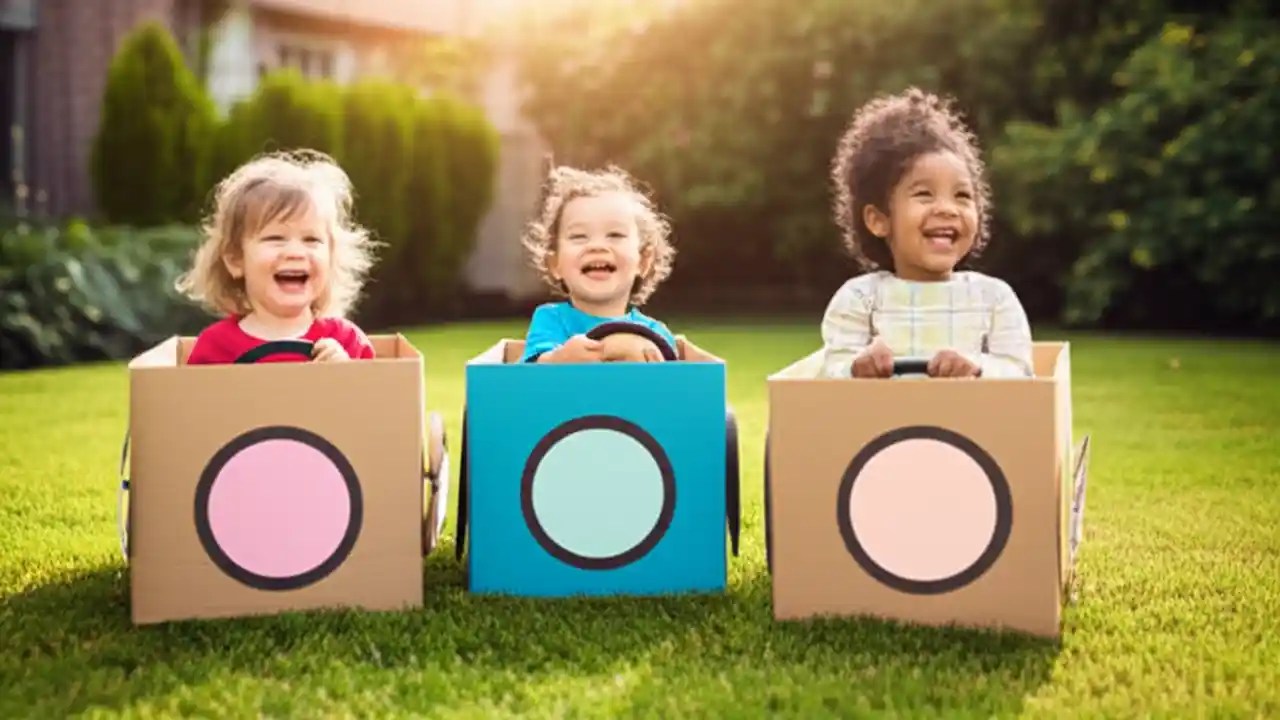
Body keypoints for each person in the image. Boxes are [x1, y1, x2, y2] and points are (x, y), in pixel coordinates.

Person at [819, 87, 1034, 379]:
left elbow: (1021, 373)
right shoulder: (860, 299)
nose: (948, 209)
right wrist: (858, 366)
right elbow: (830, 374)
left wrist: (977, 367)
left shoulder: (993, 298)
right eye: (924, 194)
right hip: (882, 424)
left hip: (971, 424)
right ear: (878, 220)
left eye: (962, 195)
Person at [175, 150, 379, 365]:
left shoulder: (347, 341)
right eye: (275, 238)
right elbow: (197, 398)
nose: (295, 252)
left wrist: (347, 375)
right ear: (236, 260)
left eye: (311, 240)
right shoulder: (215, 348)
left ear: (331, 258)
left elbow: (378, 396)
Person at [518, 165, 680, 364]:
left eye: (615, 235)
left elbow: (674, 385)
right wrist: (558, 359)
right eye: (579, 236)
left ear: (643, 261)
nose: (596, 246)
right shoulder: (551, 320)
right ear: (555, 264)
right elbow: (529, 376)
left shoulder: (654, 334)